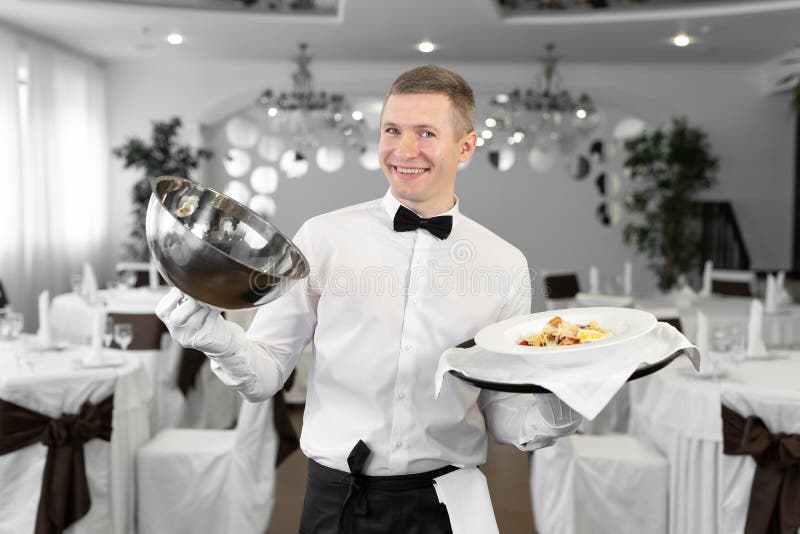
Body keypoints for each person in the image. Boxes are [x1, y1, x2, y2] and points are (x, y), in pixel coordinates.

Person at [156, 65, 581, 534]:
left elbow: (501, 412)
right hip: (335, 501)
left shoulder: (504, 264)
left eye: (426, 133)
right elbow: (265, 375)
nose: (404, 150)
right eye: (392, 130)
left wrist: (569, 404)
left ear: (465, 146)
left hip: (447, 506)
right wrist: (218, 339)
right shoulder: (323, 238)